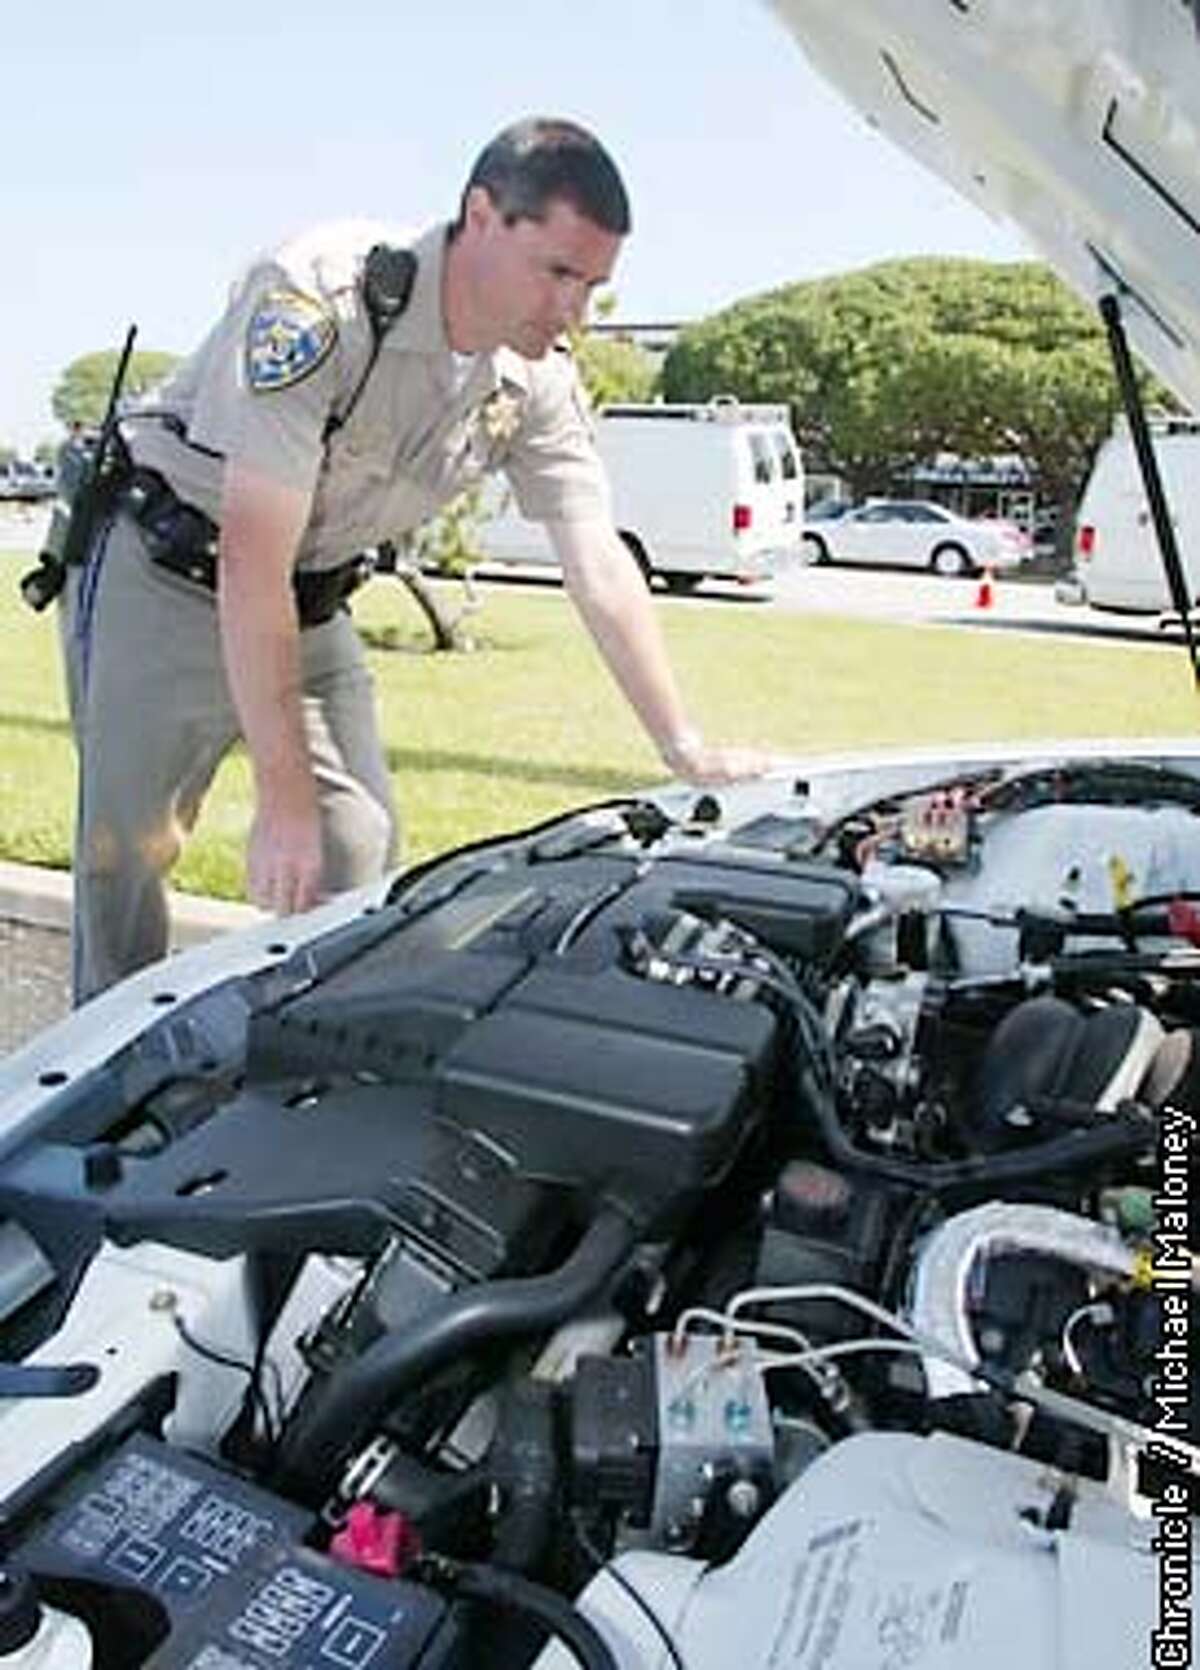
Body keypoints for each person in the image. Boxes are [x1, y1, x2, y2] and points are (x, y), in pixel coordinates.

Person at [61, 117, 769, 1006]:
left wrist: (684, 744)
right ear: (481, 214)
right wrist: (280, 800)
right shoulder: (322, 296)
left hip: (310, 605)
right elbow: (251, 557)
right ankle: (92, 1113)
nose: (571, 312)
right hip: (166, 572)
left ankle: (296, 1061)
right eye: (557, 272)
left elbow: (597, 558)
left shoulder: (534, 377)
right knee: (125, 857)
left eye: (592, 286)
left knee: (357, 846)